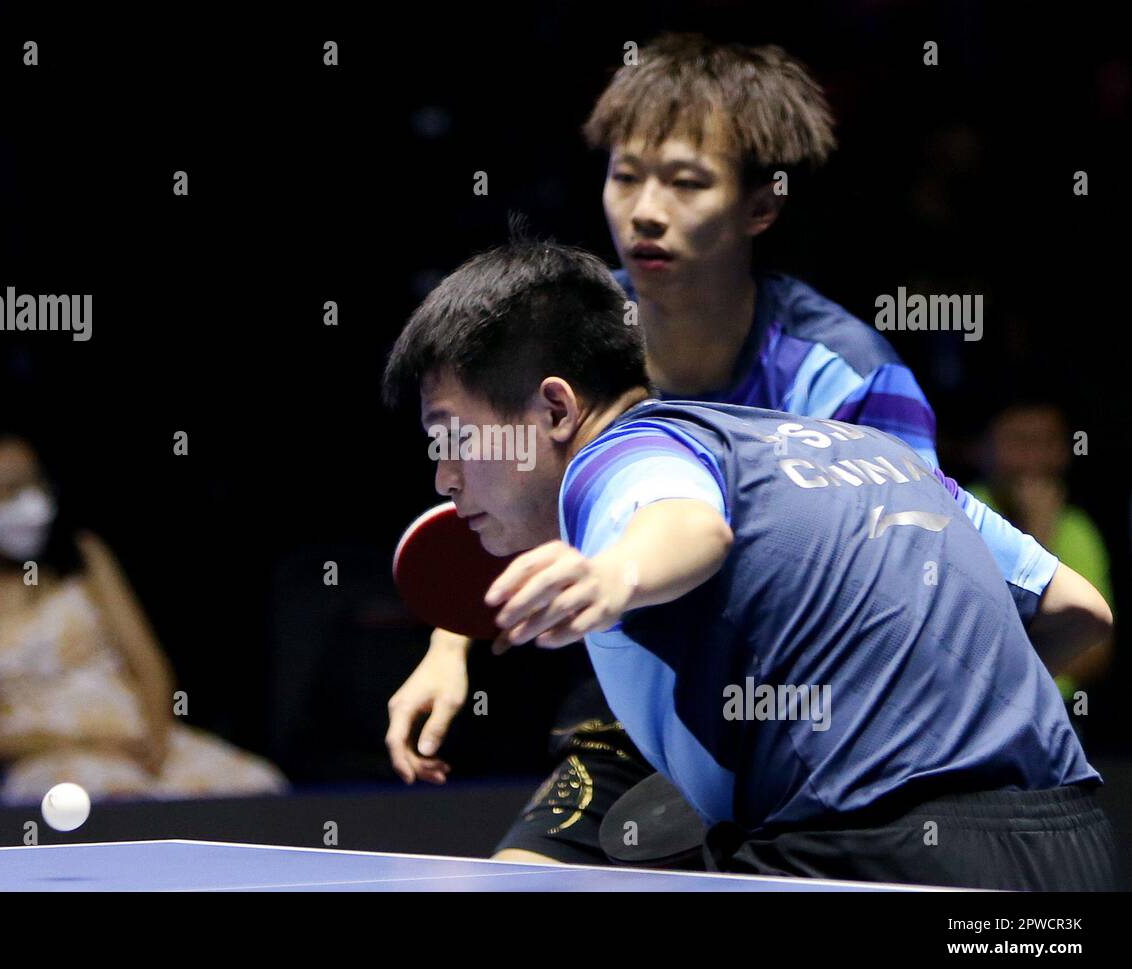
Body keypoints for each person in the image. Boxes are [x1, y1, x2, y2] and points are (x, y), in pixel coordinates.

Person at [385, 33, 1058, 866]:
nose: (645, 210)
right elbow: (506, 496)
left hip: (807, 717)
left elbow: (922, 577)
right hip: (634, 691)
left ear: (760, 208)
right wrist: (449, 646)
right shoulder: (569, 337)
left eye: (686, 182)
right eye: (626, 174)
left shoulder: (842, 378)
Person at [381, 239, 1115, 889]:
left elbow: (687, 525)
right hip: (1069, 848)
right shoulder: (865, 451)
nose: (445, 477)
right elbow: (1080, 610)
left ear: (555, 410)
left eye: (453, 437)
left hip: (861, 861)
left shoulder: (615, 461)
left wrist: (614, 575)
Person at [0, 434, 288, 802]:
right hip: (49, 758)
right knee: (118, 801)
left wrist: (155, 739)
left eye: (35, 483)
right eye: (9, 490)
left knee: (258, 787)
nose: (31, 503)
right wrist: (83, 744)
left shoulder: (82, 556)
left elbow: (148, 663)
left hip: (137, 735)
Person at [972, 401, 1114, 696]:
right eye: (1019, 441)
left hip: (1059, 712)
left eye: (1048, 442)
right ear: (983, 448)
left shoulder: (1077, 529)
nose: (1033, 458)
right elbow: (976, 644)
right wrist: (1037, 537)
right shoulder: (962, 514)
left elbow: (1097, 654)